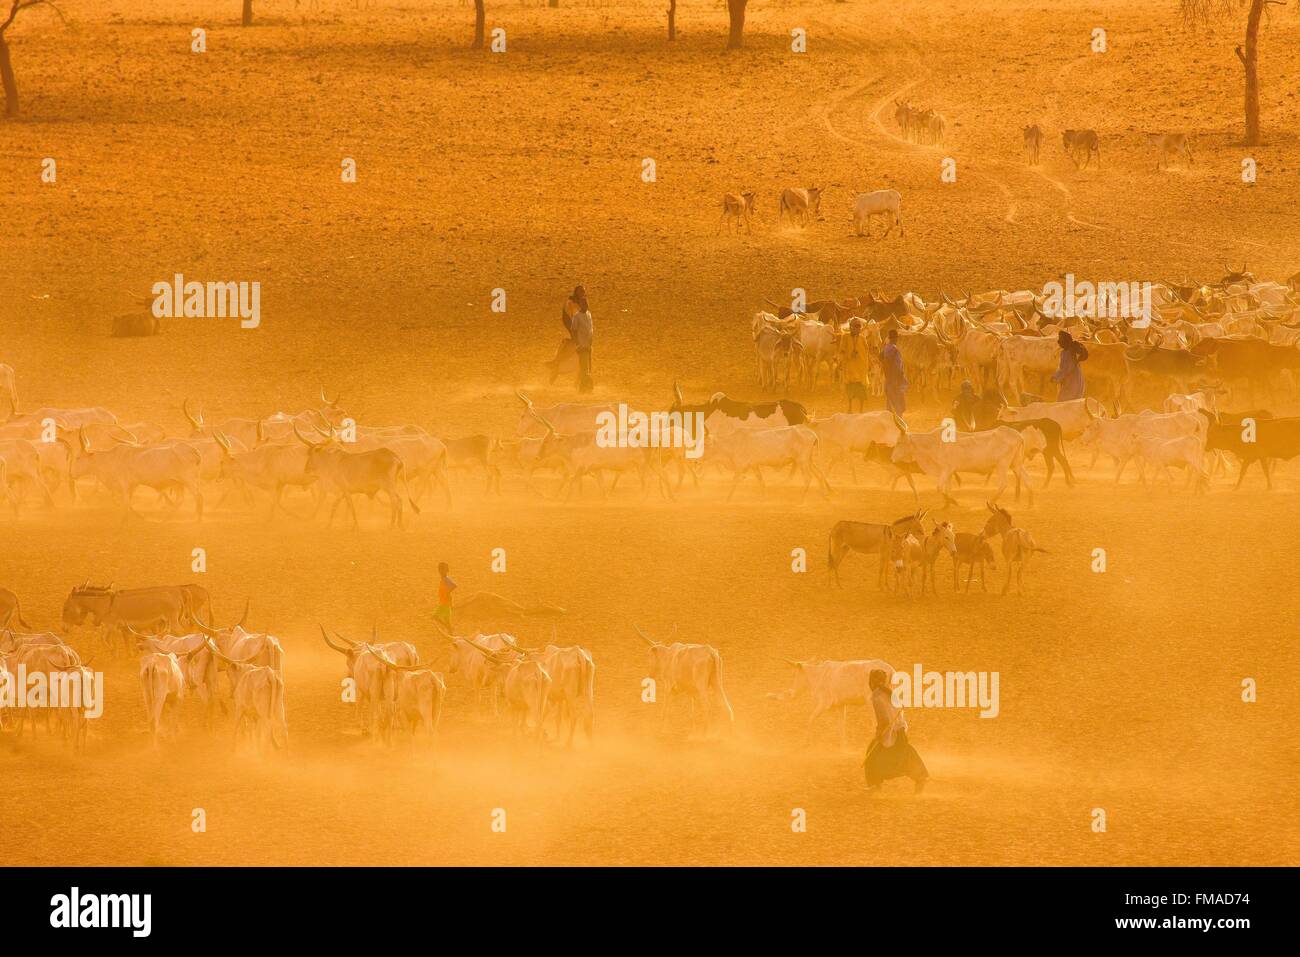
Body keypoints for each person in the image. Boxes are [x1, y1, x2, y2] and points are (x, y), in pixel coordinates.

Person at [863, 668, 929, 793]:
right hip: (900, 731)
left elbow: (883, 720)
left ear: (871, 682)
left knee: (872, 754)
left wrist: (878, 734)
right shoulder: (890, 693)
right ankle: (921, 777)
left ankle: (875, 785)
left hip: (891, 731)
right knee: (903, 752)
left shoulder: (876, 696)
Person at [839, 318, 872, 412]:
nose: (857, 329)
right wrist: (849, 355)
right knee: (850, 389)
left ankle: (861, 409)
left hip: (861, 369)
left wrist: (868, 364)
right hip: (850, 369)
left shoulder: (862, 338)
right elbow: (841, 351)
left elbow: (866, 352)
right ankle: (850, 408)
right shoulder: (845, 337)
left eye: (859, 327)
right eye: (855, 327)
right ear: (851, 327)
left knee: (861, 390)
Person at [1052, 330, 1088, 401]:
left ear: (1065, 341)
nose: (1059, 342)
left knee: (1063, 403)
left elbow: (1066, 369)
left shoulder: (1067, 353)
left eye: (1061, 339)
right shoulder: (1069, 351)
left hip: (1071, 383)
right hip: (1076, 380)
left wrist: (1055, 377)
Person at [880, 329, 909, 416]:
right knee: (898, 401)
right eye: (896, 338)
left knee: (890, 399)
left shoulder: (885, 348)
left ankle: (891, 418)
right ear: (896, 338)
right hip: (895, 378)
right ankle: (899, 419)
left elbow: (880, 357)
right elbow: (898, 366)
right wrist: (900, 376)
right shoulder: (895, 349)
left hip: (888, 378)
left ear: (889, 338)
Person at [571, 301, 594, 394]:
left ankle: (581, 386)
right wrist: (577, 344)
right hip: (582, 345)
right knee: (584, 368)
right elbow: (573, 331)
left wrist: (591, 343)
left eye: (587, 304)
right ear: (581, 305)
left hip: (588, 345)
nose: (587, 306)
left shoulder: (589, 314)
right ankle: (585, 389)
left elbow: (590, 329)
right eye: (585, 305)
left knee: (588, 367)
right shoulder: (577, 316)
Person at [434, 562, 456, 632]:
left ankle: (450, 630)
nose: (440, 571)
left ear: (446, 570)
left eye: (442, 569)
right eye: (439, 569)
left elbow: (454, 585)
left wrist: (447, 592)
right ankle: (449, 629)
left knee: (437, 617)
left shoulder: (446, 579)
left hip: (446, 602)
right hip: (443, 602)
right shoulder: (443, 579)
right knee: (441, 618)